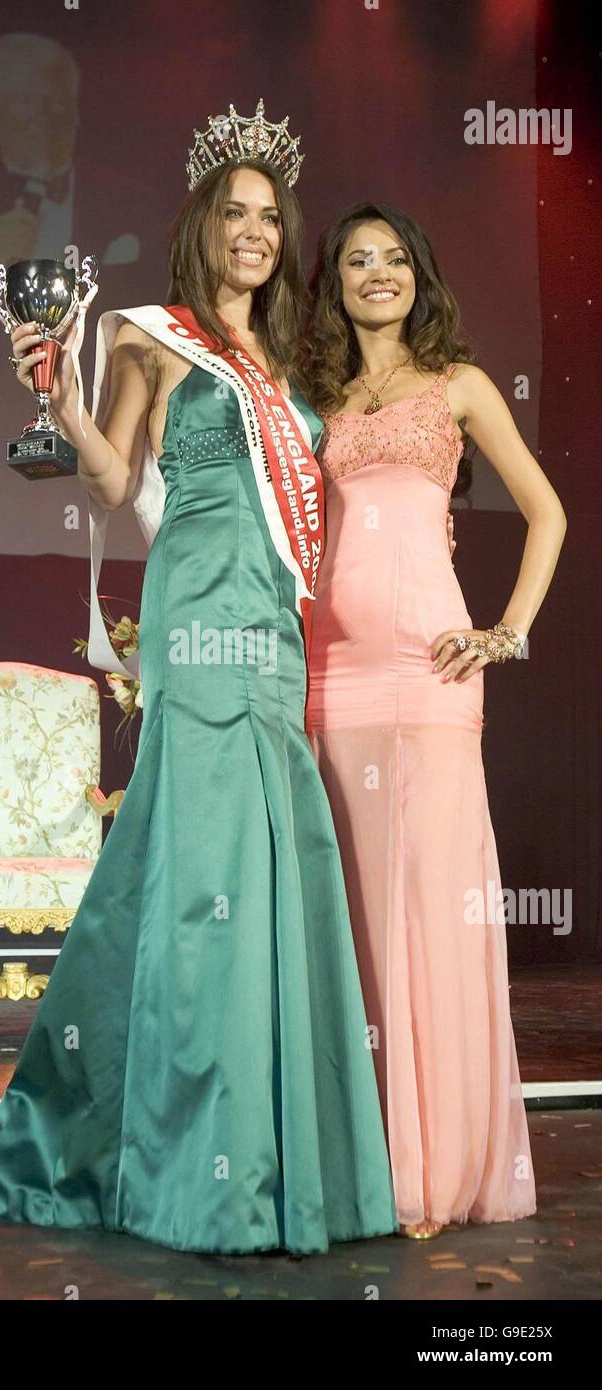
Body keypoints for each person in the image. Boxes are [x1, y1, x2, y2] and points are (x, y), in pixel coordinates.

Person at [0, 110, 398, 1255]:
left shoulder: (294, 361)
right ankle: (198, 1168)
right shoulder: (152, 337)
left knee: (265, 867)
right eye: (232, 213)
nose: (251, 231)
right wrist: (59, 394)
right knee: (202, 875)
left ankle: (287, 1166)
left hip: (274, 633)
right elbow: (111, 471)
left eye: (268, 217)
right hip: (194, 621)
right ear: (203, 225)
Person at [301, 201, 566, 1239]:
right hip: (332, 674)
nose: (377, 273)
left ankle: (436, 1166)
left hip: (429, 669)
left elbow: (545, 509)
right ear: (335, 283)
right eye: (357, 260)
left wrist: (506, 630)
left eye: (394, 258)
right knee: (355, 914)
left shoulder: (457, 384)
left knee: (434, 910)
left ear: (418, 274)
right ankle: (366, 1161)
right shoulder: (314, 396)